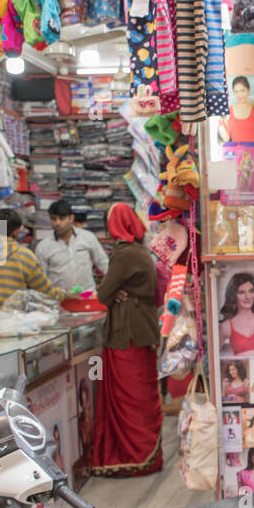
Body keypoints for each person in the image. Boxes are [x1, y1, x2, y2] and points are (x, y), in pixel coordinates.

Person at [90, 203, 162, 477]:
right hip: (142, 328)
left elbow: (103, 294)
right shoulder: (141, 251)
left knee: (127, 396)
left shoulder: (124, 254)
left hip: (126, 331)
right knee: (141, 394)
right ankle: (145, 455)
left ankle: (133, 455)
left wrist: (114, 291)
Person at [35, 198, 109, 294]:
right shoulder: (43, 247)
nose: (57, 223)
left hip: (86, 295)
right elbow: (41, 279)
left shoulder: (87, 237)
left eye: (62, 219)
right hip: (60, 299)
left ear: (71, 218)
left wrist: (112, 285)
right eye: (53, 219)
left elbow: (103, 262)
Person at [219, 272, 254, 356]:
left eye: (251, 291)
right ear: (233, 294)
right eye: (241, 292)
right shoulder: (226, 326)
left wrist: (241, 270)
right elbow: (213, 354)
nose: (248, 296)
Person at [219, 76, 254, 144]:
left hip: (253, 152)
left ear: (248, 90)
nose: (239, 95)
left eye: (242, 90)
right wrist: (220, 122)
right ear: (233, 93)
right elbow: (226, 138)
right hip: (235, 153)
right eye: (236, 91)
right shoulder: (229, 111)